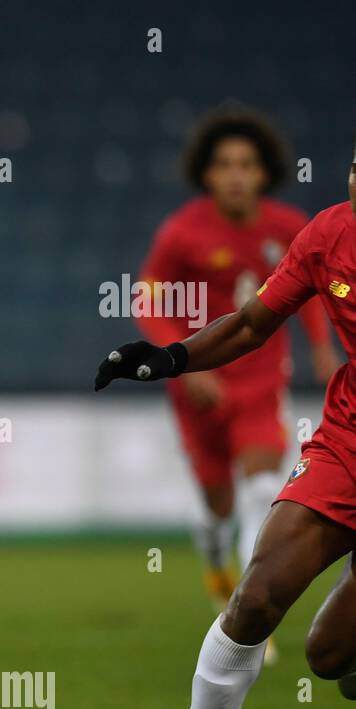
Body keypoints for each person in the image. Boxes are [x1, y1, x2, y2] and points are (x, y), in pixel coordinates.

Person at [95, 148, 356, 709]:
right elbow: (249, 323)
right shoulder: (327, 233)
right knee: (258, 597)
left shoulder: (286, 224)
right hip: (346, 444)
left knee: (330, 656)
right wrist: (170, 358)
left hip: (262, 399)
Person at [133, 109, 337, 665]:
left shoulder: (290, 226)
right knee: (218, 508)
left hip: (260, 382)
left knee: (260, 491)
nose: (236, 175)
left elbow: (311, 288)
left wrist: (320, 346)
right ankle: (215, 561)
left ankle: (249, 617)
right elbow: (148, 300)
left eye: (247, 164)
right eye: (224, 165)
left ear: (265, 171)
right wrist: (185, 365)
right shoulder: (182, 232)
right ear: (207, 173)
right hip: (198, 390)